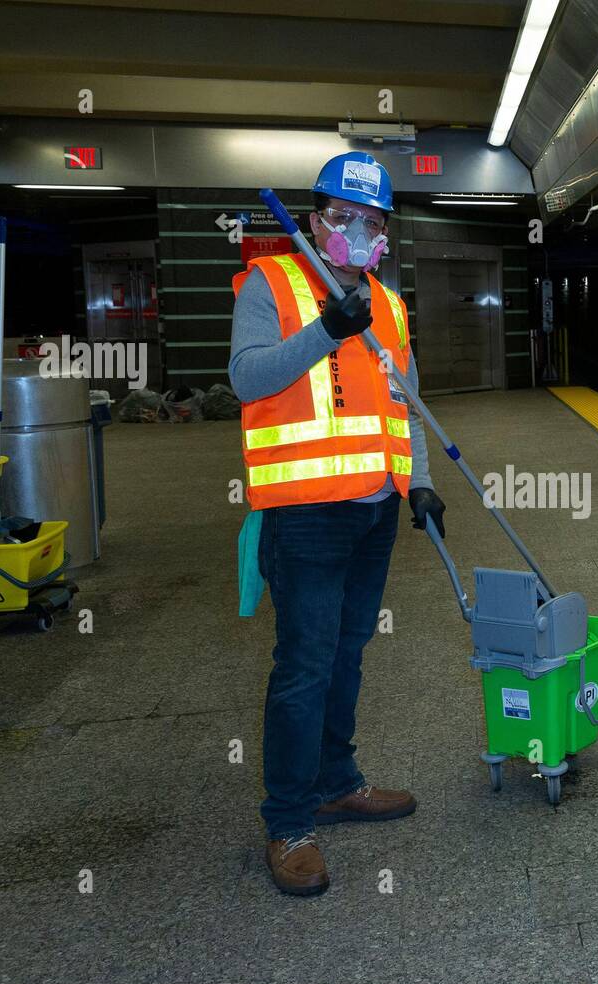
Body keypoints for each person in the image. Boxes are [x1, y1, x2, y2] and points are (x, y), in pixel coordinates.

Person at [228, 151, 446, 897]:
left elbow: (406, 403)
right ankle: (289, 821)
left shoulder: (388, 303)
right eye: (343, 216)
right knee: (304, 666)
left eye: (373, 220)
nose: (357, 230)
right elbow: (247, 377)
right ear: (316, 220)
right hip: (305, 515)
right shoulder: (272, 285)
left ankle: (336, 780)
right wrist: (326, 327)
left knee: (348, 655)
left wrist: (419, 483)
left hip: (373, 512)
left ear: (386, 230)